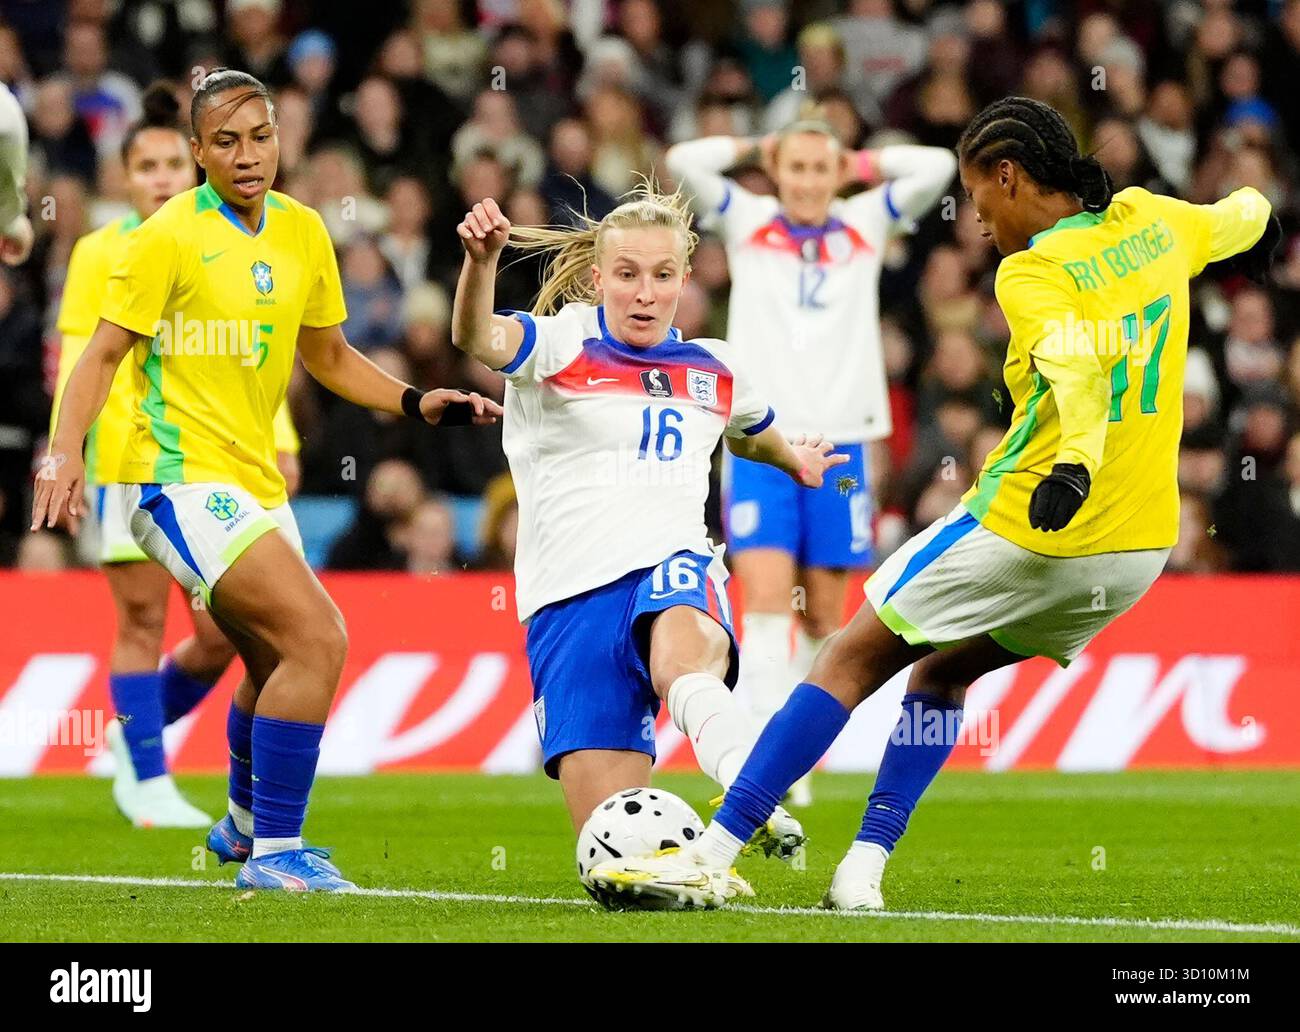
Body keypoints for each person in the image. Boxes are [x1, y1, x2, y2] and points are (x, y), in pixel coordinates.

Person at [591, 96, 1279, 909]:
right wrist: (1260, 232)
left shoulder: (1032, 273)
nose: (978, 219)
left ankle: (713, 849)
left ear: (1009, 174)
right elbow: (1249, 210)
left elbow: (1078, 378)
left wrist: (1073, 470)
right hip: (1136, 550)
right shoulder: (1159, 220)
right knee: (942, 673)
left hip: (1032, 518)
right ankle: (863, 872)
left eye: (978, 192)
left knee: (847, 657)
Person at [33, 69, 501, 892]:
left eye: (261, 137)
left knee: (269, 658)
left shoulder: (302, 231)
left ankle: (245, 825)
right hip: (172, 479)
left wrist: (414, 400)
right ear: (197, 152)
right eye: (226, 142)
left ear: (282, 139)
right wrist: (64, 450)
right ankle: (279, 852)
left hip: (256, 484)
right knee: (319, 639)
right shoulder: (165, 237)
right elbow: (101, 354)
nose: (247, 156)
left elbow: (325, 356)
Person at [449, 186, 850, 884]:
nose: (644, 292)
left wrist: (797, 458)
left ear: (684, 280)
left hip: (673, 565)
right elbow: (476, 338)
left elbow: (753, 433)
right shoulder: (561, 343)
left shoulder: (713, 369)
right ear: (598, 277)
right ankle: (686, 861)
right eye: (627, 274)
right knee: (616, 863)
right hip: (569, 602)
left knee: (682, 659)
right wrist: (480, 264)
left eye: (662, 275)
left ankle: (751, 794)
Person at [665, 120, 955, 805]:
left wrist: (859, 161)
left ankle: (794, 744)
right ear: (777, 168)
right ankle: (768, 760)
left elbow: (937, 165)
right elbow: (683, 158)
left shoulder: (865, 221)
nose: (805, 181)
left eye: (818, 169)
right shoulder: (748, 218)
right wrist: (750, 150)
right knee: (765, 597)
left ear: (838, 174)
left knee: (826, 613)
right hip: (763, 438)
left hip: (847, 445)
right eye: (793, 167)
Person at [50, 83, 310, 828]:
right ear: (125, 176)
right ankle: (146, 776)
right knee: (139, 624)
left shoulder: (224, 237)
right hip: (132, 461)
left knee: (225, 631)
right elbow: (84, 359)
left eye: (171, 163)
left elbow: (252, 352)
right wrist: (68, 455)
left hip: (221, 460)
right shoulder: (104, 251)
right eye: (147, 165)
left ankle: (133, 739)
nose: (161, 176)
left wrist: (281, 439)